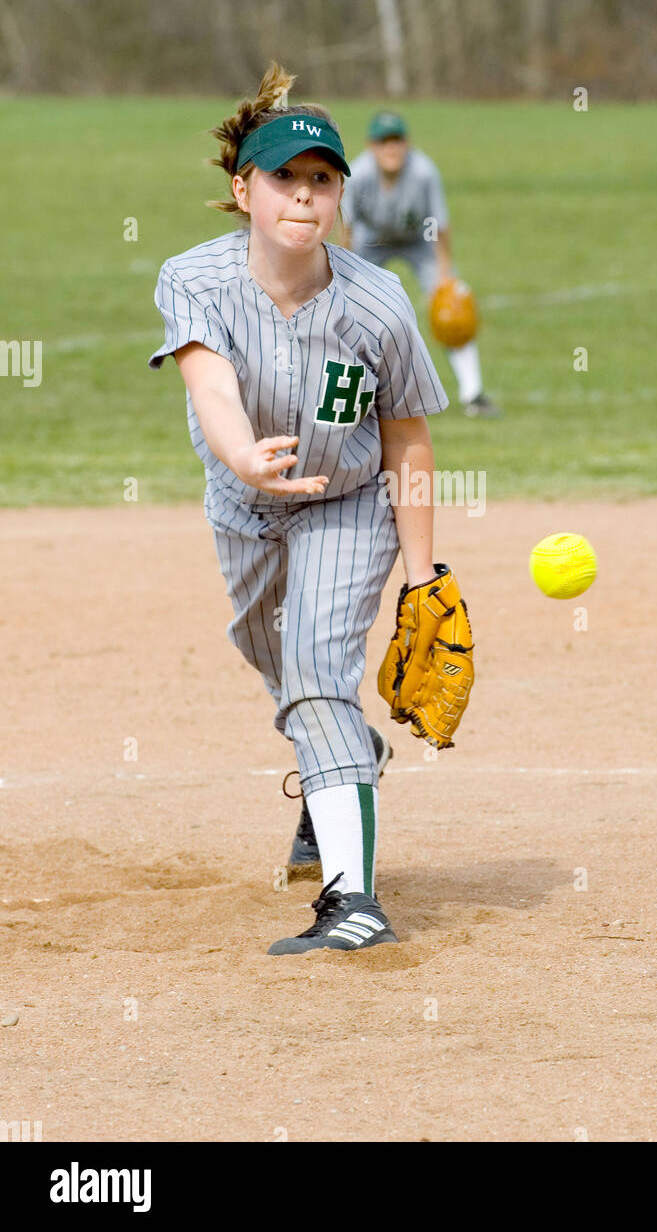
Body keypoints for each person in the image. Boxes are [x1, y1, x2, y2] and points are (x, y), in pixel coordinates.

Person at [148, 63, 452, 954]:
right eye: (285, 177)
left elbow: (408, 438)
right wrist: (244, 456)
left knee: (318, 669)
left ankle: (352, 901)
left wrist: (424, 572)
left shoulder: (378, 303)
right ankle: (346, 758)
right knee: (275, 660)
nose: (305, 195)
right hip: (243, 512)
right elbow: (209, 385)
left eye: (323, 179)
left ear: (340, 197)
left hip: (346, 506)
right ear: (244, 190)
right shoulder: (193, 278)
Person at [340, 111, 499, 417]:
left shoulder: (424, 172)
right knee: (347, 305)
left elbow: (440, 224)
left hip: (419, 240)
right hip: (373, 241)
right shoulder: (357, 174)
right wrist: (343, 269)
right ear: (371, 146)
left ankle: (473, 393)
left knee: (453, 309)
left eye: (397, 141)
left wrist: (444, 275)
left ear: (407, 143)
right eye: (383, 142)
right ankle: (351, 390)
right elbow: (346, 225)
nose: (391, 148)